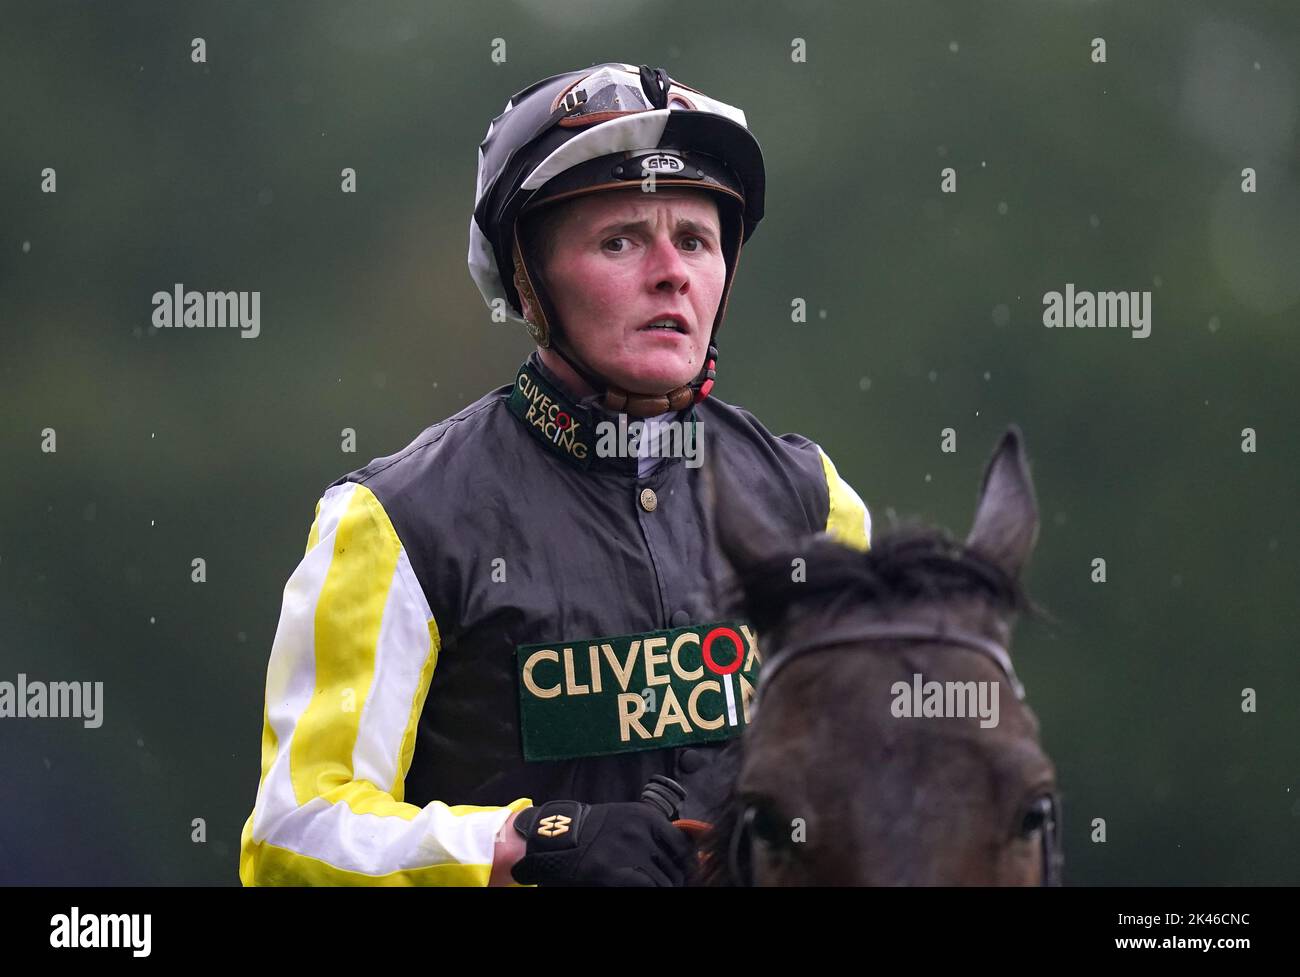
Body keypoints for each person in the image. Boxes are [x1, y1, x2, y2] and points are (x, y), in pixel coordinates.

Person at [238, 62, 871, 887]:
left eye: (695, 239)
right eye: (619, 241)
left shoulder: (816, 502)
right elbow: (294, 833)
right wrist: (524, 844)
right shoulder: (393, 520)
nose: (671, 271)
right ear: (529, 283)